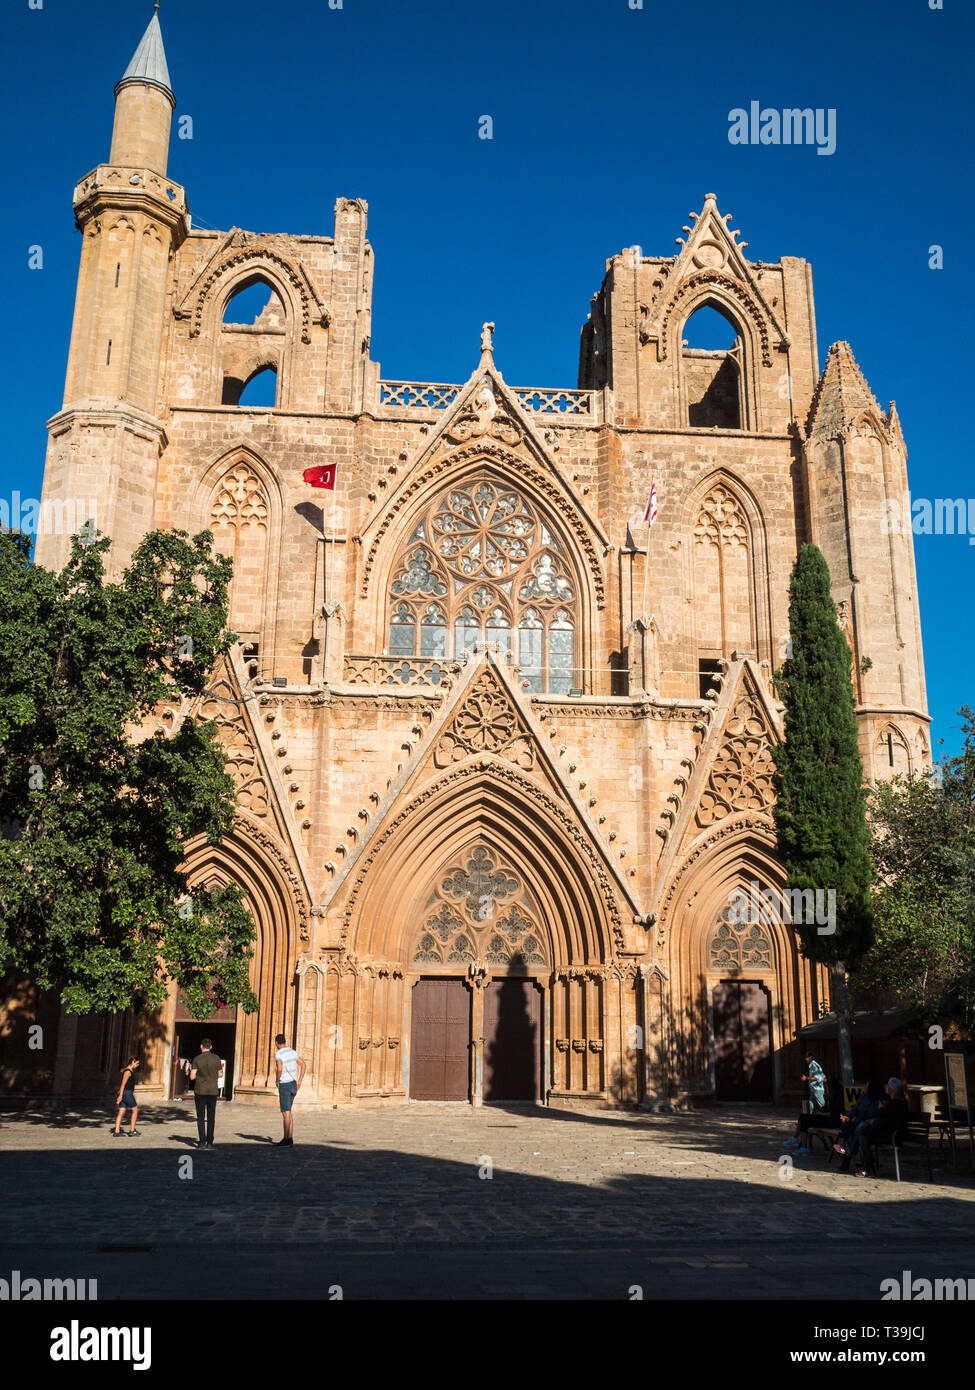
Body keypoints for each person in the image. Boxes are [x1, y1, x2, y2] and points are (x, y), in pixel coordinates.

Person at [847, 1077, 910, 1177]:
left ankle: (850, 1149)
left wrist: (878, 1114)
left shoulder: (897, 1102)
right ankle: (868, 1169)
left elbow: (884, 1115)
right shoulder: (895, 1101)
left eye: (888, 1086)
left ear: (893, 1089)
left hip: (893, 1135)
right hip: (888, 1132)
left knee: (862, 1127)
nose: (887, 1088)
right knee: (862, 1137)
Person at [783, 1074, 843, 1155]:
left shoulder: (838, 1098)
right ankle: (796, 1140)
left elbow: (834, 1114)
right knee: (803, 1116)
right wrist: (820, 1112)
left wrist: (820, 1114)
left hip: (833, 1121)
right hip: (827, 1118)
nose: (826, 1088)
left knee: (805, 1120)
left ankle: (802, 1146)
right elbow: (825, 1109)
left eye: (827, 1086)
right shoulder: (830, 1096)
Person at [834, 1079, 885, 1169]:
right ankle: (852, 1158)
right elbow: (854, 1110)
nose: (865, 1087)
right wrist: (848, 1117)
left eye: (867, 1086)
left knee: (858, 1131)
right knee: (850, 1128)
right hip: (857, 1125)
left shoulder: (879, 1102)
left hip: (870, 1128)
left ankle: (846, 1157)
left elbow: (871, 1116)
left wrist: (857, 1119)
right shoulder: (863, 1097)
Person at [274, 1033, 306, 1147]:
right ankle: (290, 1138)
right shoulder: (292, 1052)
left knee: (285, 1112)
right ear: (285, 1042)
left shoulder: (278, 1053)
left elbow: (279, 1068)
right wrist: (300, 1081)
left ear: (277, 1043)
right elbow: (303, 1065)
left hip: (285, 1084)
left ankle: (286, 1139)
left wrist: (277, 1081)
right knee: (289, 1111)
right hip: (293, 1084)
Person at [190, 1038, 222, 1149]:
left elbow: (192, 1076)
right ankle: (210, 1142)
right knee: (211, 1117)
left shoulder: (197, 1059)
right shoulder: (217, 1058)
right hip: (213, 1090)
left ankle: (202, 1142)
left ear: (201, 1046)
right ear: (211, 1047)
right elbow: (220, 1074)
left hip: (200, 1090)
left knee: (200, 1117)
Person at [114, 1056, 141, 1136]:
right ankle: (132, 1131)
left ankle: (117, 1131)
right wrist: (120, 1095)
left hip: (127, 1093)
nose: (138, 1065)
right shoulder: (127, 1071)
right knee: (135, 1110)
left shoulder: (130, 1071)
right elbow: (123, 1084)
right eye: (137, 1063)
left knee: (121, 1111)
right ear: (133, 1062)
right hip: (127, 1093)